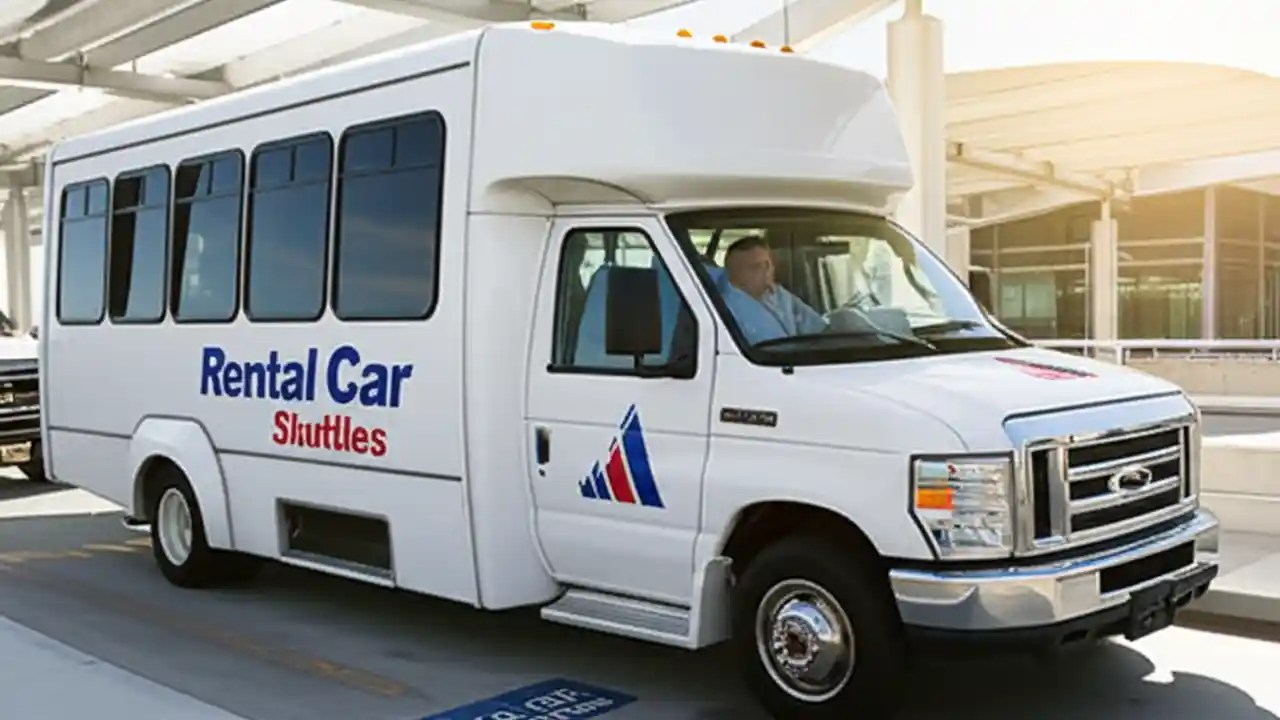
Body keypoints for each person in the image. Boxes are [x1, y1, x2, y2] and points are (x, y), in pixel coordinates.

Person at [719, 235, 827, 344]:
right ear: (734, 274)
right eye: (756, 267)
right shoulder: (726, 310)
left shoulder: (779, 295)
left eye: (767, 265)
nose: (766, 271)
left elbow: (819, 329)